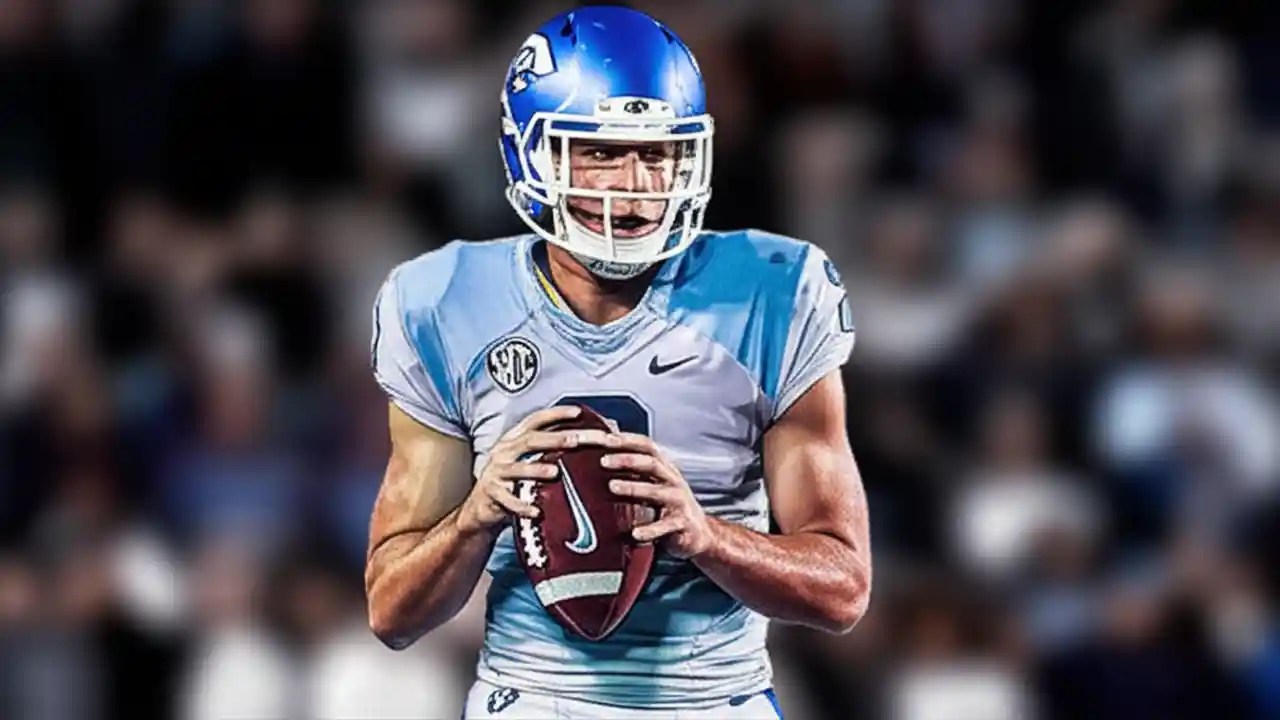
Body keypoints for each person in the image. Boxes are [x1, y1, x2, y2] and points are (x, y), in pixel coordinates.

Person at [364, 6, 872, 719]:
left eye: (658, 152)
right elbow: (393, 611)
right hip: (535, 699)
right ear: (532, 154)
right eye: (601, 151)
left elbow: (843, 589)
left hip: (713, 699)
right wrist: (474, 519)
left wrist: (707, 538)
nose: (635, 183)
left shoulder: (775, 290)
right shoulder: (444, 303)